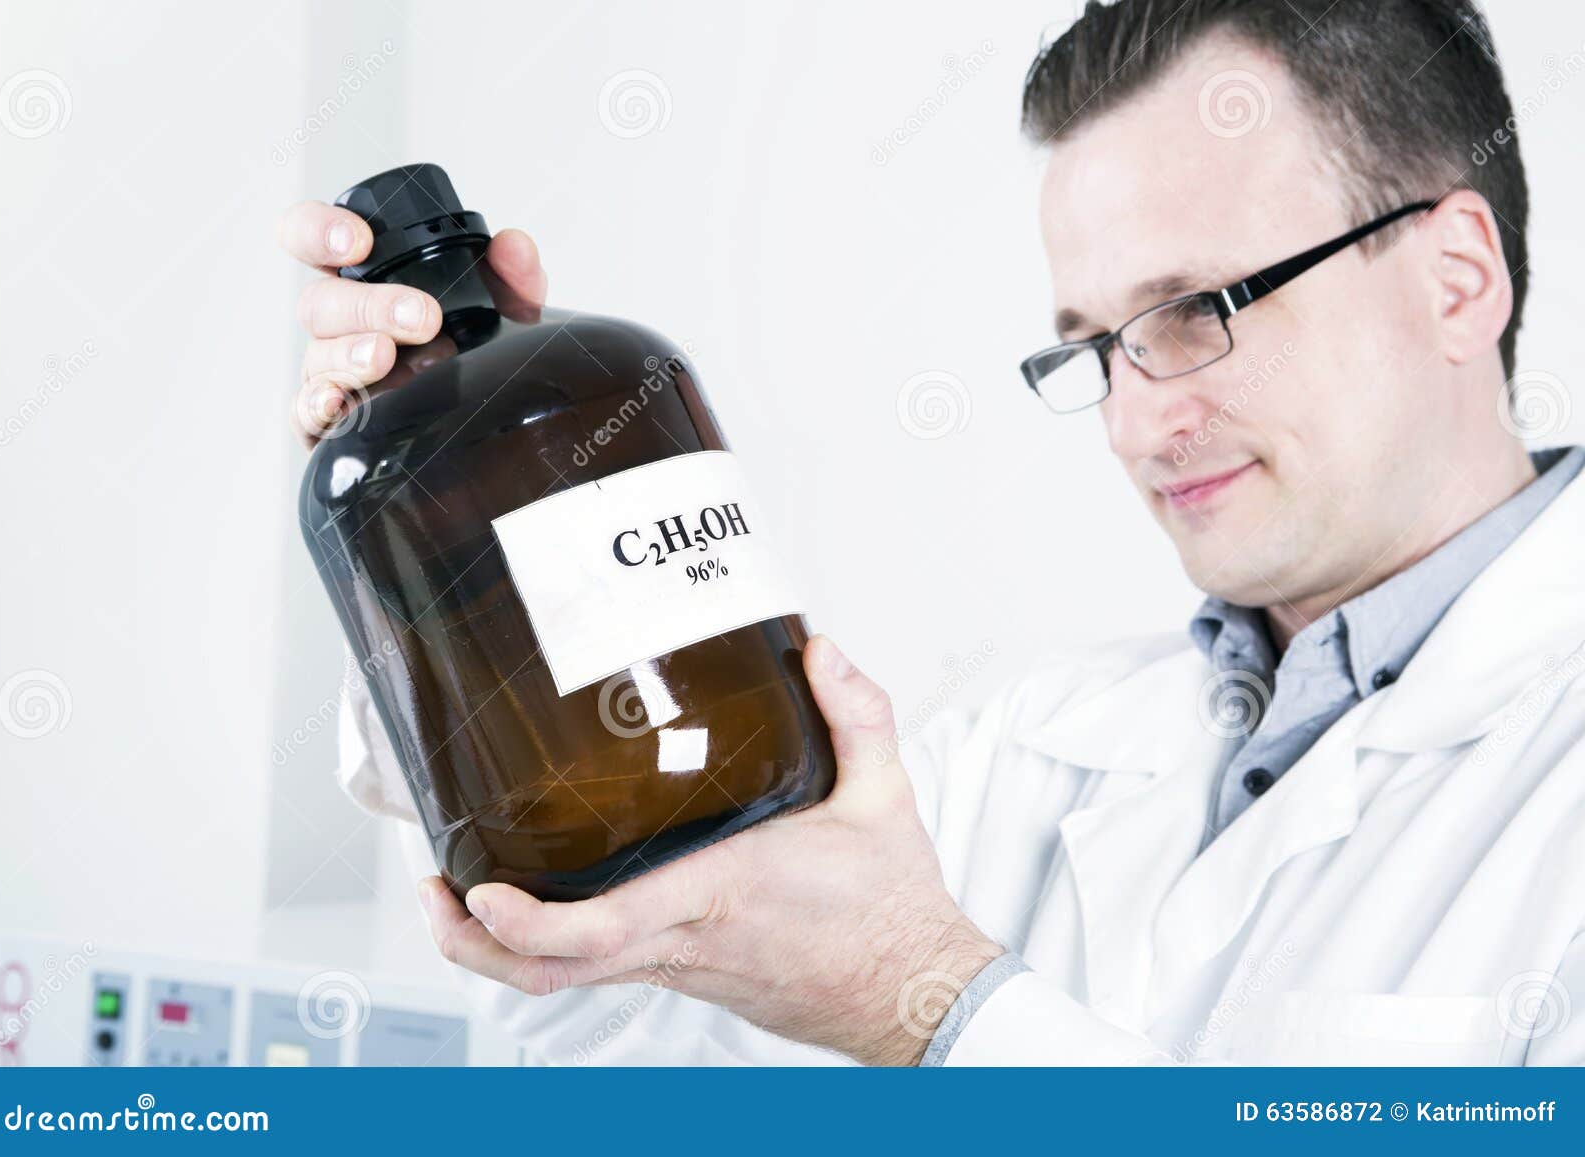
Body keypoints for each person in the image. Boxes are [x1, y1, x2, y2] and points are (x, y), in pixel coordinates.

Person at [279, 0, 1584, 1065]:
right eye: (1094, 348)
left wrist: (932, 1003)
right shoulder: (1033, 752)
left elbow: (903, 994)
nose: (1136, 424)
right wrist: (445, 538)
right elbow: (631, 1028)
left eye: (1197, 309)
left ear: (1455, 279)